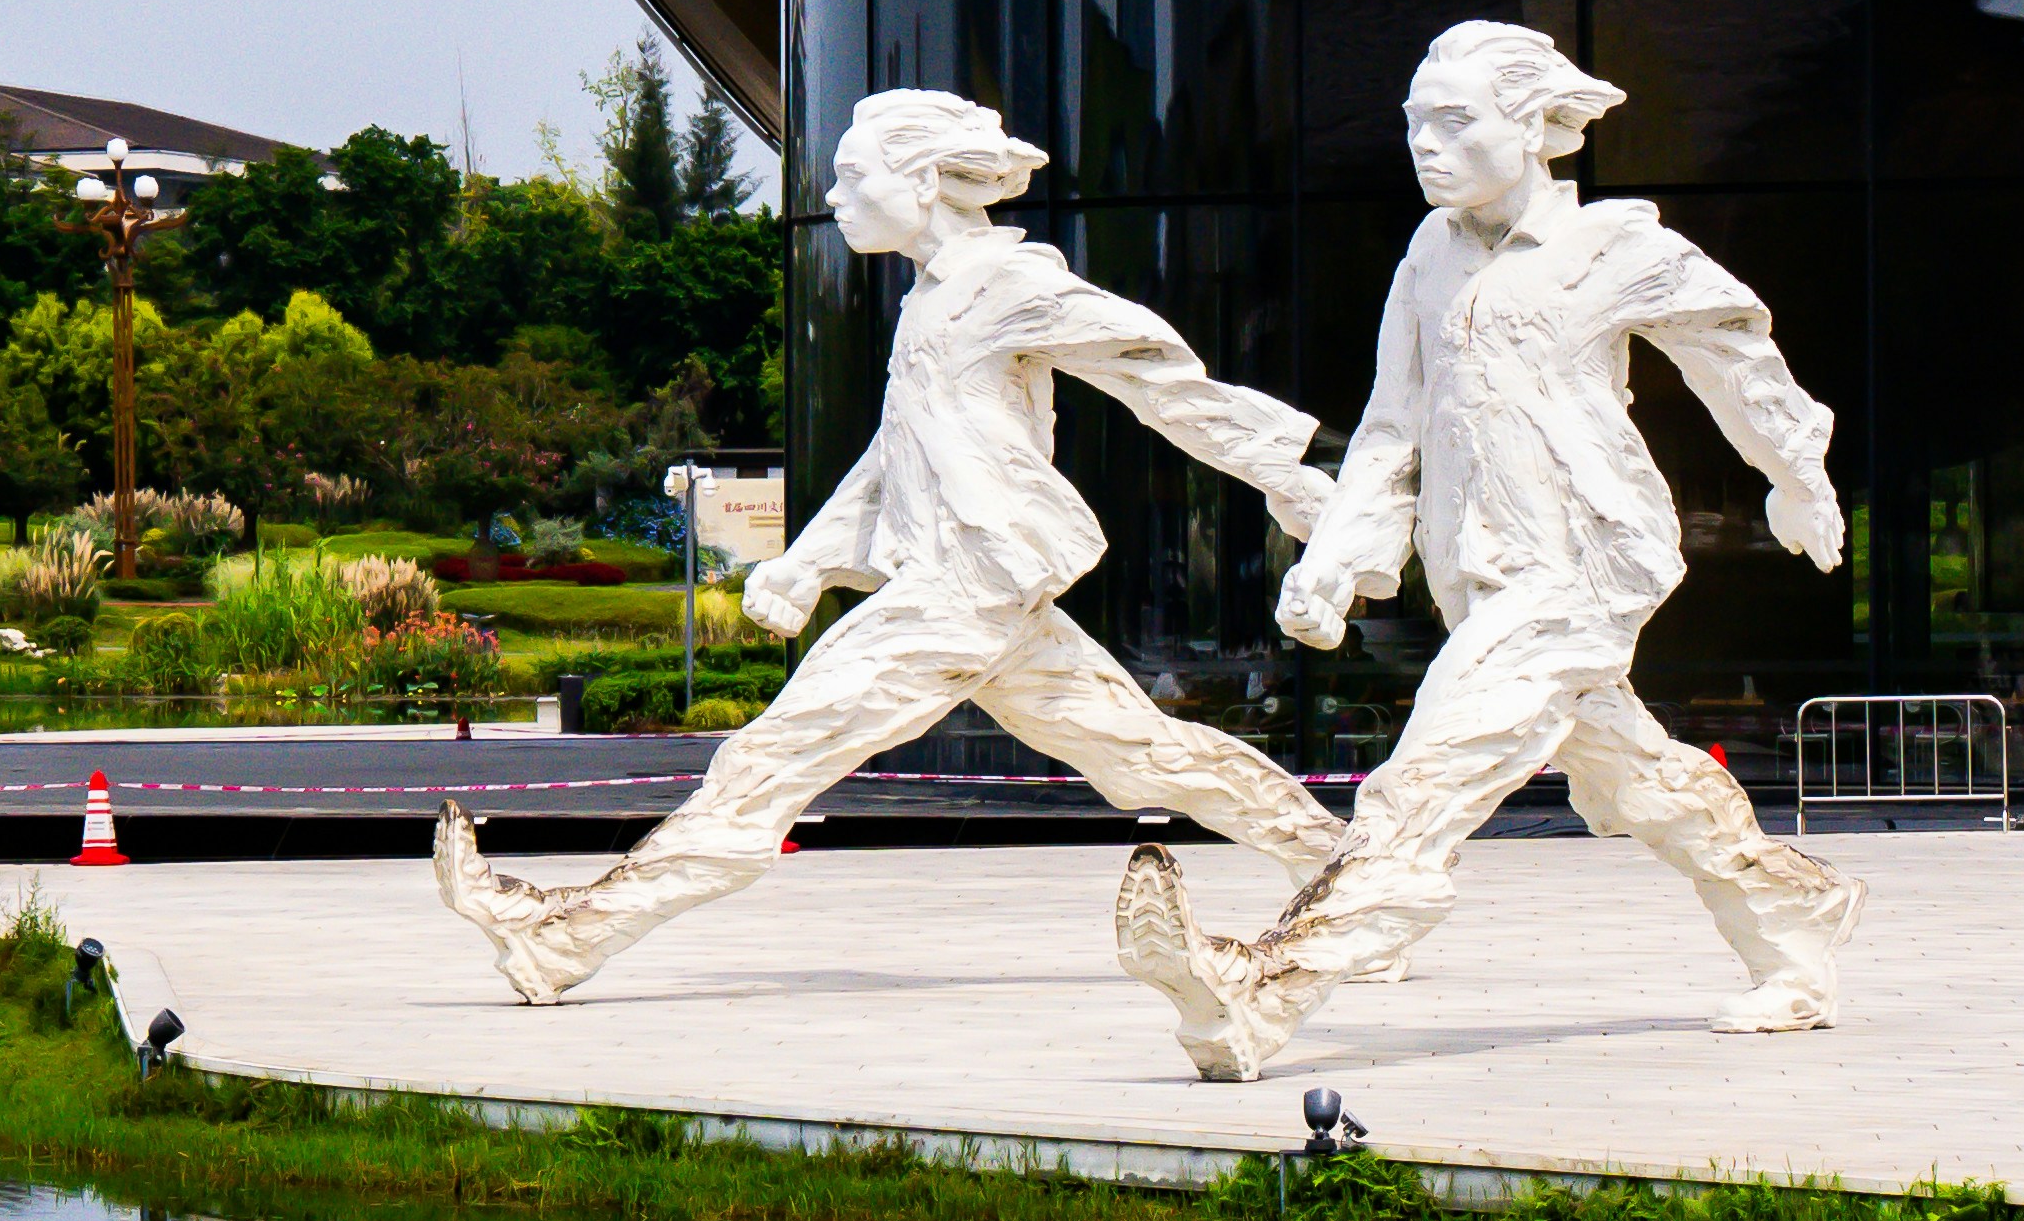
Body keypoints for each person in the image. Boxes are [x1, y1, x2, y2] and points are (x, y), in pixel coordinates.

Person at [429, 87, 1349, 1007]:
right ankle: (1350, 880)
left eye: (851, 176)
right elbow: (892, 454)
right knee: (1148, 757)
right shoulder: (928, 302)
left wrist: (1288, 476)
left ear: (920, 182)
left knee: (769, 763)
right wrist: (809, 559)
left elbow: (1155, 372)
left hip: (962, 593)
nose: (833, 197)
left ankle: (564, 940)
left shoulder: (1009, 286)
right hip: (977, 592)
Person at [1106, 22, 1860, 1068]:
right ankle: (1794, 916)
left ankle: (1260, 992)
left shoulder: (1615, 247)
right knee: (1639, 779)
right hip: (1480, 574)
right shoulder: (1429, 257)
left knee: (1424, 783)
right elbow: (1390, 426)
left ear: (1541, 127)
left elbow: (1737, 356)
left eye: (1454, 122)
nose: (1424, 143)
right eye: (1415, 123)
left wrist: (1797, 477)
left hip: (1581, 566)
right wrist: (1333, 560)